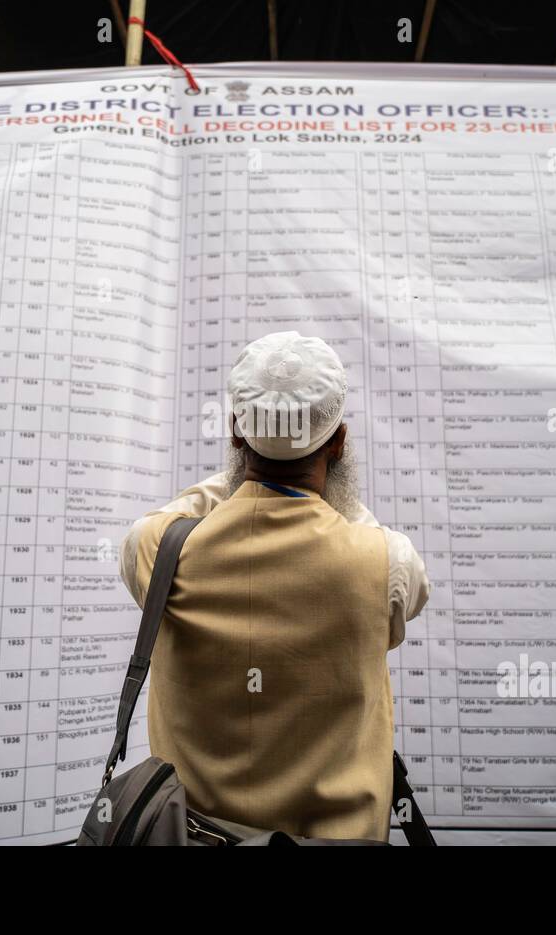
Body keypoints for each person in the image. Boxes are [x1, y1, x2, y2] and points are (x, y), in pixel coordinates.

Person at [118, 331, 429, 841]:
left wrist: (247, 472)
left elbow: (176, 514)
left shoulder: (156, 550)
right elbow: (365, 539)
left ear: (235, 433)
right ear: (340, 442)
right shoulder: (388, 564)